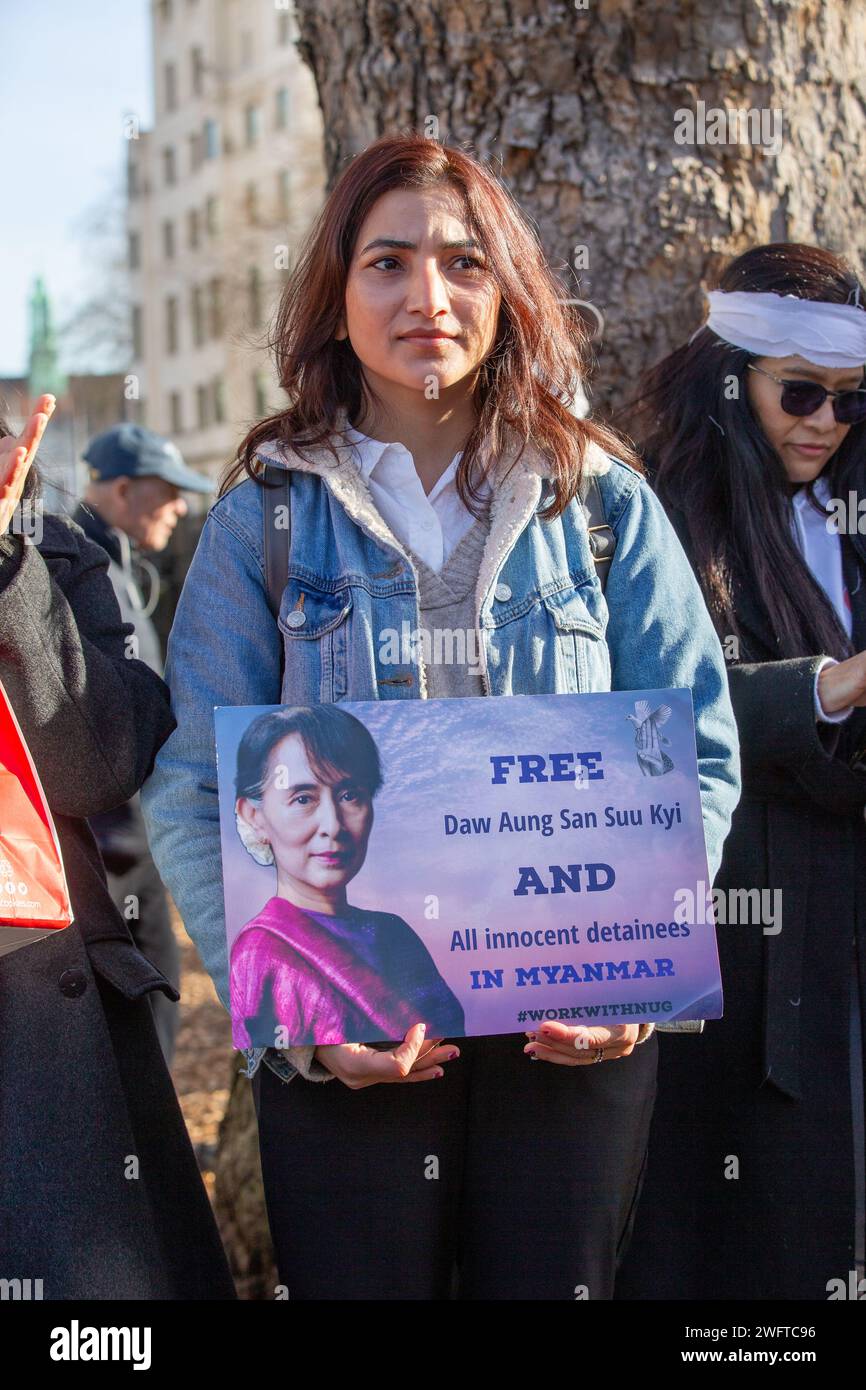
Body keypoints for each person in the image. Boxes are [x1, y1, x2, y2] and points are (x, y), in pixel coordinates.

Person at [142, 132, 740, 1301]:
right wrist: (295, 1022)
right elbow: (194, 788)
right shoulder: (261, 523)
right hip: (350, 1039)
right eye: (387, 261)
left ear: (506, 291)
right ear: (333, 293)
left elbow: (697, 748)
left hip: (568, 1038)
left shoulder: (601, 501)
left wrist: (632, 970)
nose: (428, 296)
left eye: (464, 263)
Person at [615, 243, 866, 1301]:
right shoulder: (657, 511)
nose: (822, 422)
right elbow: (657, 713)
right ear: (729, 378)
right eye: (796, 392)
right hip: (740, 934)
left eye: (850, 401)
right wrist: (835, 686)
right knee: (743, 1227)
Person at [0, 400, 235, 1298]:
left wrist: (6, 572)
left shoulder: (55, 551)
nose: (174, 509)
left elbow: (100, 765)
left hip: (47, 1027)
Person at [73, 423, 211, 1064]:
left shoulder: (108, 565)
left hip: (129, 843)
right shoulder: (76, 572)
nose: (180, 506)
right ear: (123, 489)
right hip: (114, 853)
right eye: (169, 491)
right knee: (146, 1023)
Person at [230, 705, 465, 1048]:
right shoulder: (260, 953)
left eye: (349, 795)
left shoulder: (393, 933)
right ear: (255, 815)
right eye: (303, 798)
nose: (333, 825)